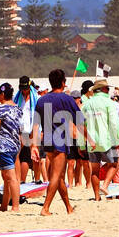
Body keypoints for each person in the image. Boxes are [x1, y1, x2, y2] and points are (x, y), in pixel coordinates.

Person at [32, 68, 81, 216]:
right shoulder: (67, 99)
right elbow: (80, 122)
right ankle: (45, 208)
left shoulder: (41, 100)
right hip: (60, 141)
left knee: (59, 176)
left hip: (47, 140)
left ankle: (68, 207)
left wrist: (34, 145)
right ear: (63, 82)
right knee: (56, 176)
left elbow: (35, 125)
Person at [80, 78, 119, 202]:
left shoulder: (86, 104)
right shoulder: (109, 103)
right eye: (108, 88)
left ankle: (97, 197)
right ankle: (105, 186)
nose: (109, 90)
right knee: (115, 164)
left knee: (94, 170)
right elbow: (114, 124)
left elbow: (81, 125)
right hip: (108, 140)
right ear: (103, 89)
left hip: (91, 142)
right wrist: (117, 140)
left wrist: (82, 145)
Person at [0, 82, 22, 212]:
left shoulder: (0, 109)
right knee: (7, 178)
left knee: (10, 177)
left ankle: (15, 206)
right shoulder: (17, 108)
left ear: (2, 94)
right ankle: (4, 206)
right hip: (14, 145)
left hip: (3, 146)